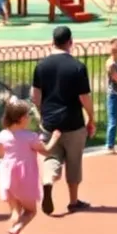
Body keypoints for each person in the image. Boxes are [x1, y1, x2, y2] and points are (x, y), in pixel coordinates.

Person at [31, 25, 95, 215]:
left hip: (50, 122)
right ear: (70, 42)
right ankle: (73, 200)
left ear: (52, 42)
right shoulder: (77, 66)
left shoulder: (41, 66)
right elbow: (84, 97)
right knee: (74, 160)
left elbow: (36, 96)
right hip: (73, 121)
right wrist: (91, 118)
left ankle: (48, 181)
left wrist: (42, 114)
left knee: (52, 156)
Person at [0, 98, 59, 234]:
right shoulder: (30, 137)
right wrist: (54, 138)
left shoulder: (4, 134)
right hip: (24, 176)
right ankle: (14, 231)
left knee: (16, 210)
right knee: (31, 211)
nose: (29, 118)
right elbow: (45, 150)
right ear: (21, 118)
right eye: (27, 115)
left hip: (7, 176)